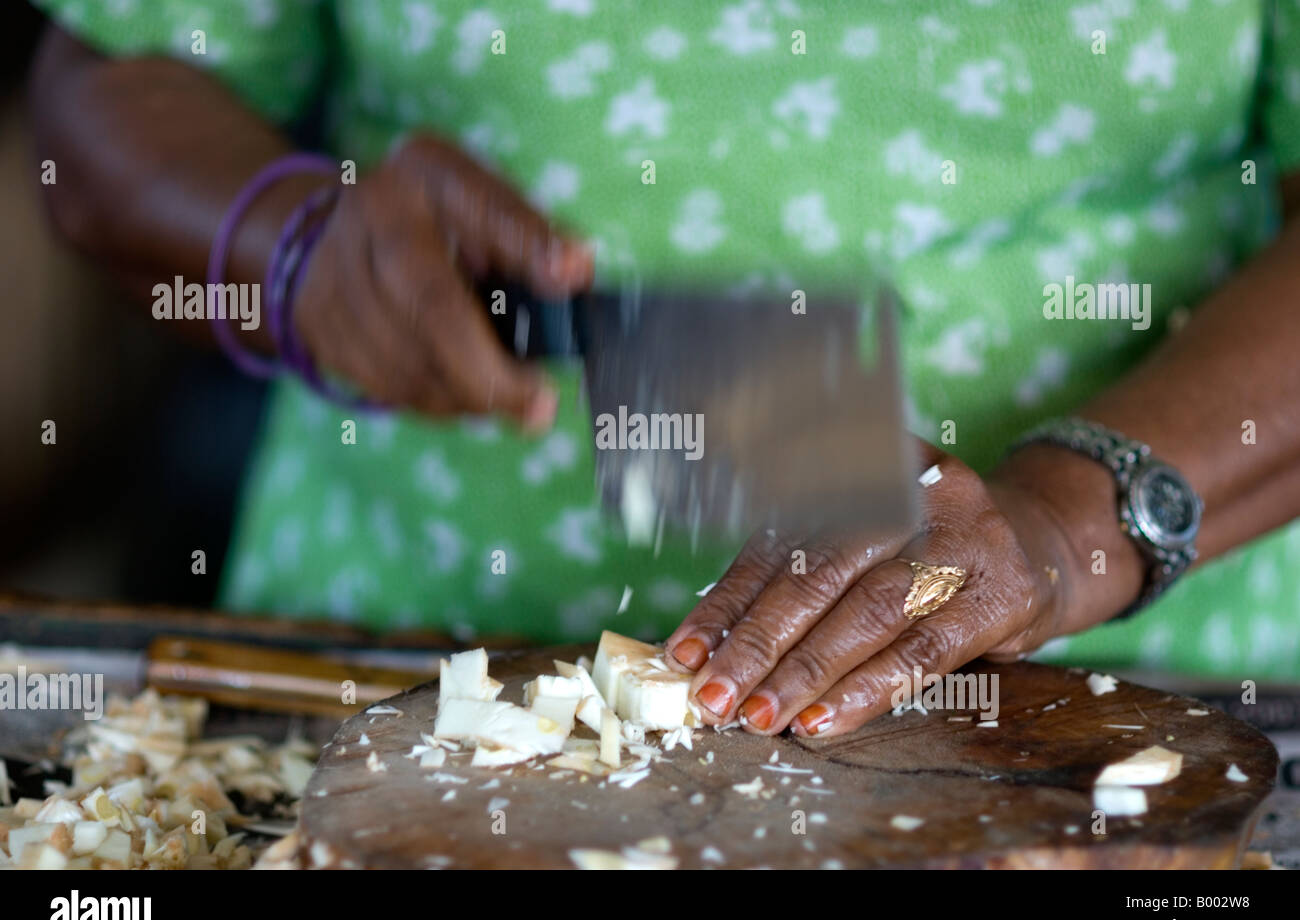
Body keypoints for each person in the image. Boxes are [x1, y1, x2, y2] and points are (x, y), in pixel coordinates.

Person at [28, 1, 1300, 738]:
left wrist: (1074, 525)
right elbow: (104, 81)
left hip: (1134, 709)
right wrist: (291, 242)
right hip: (398, 674)